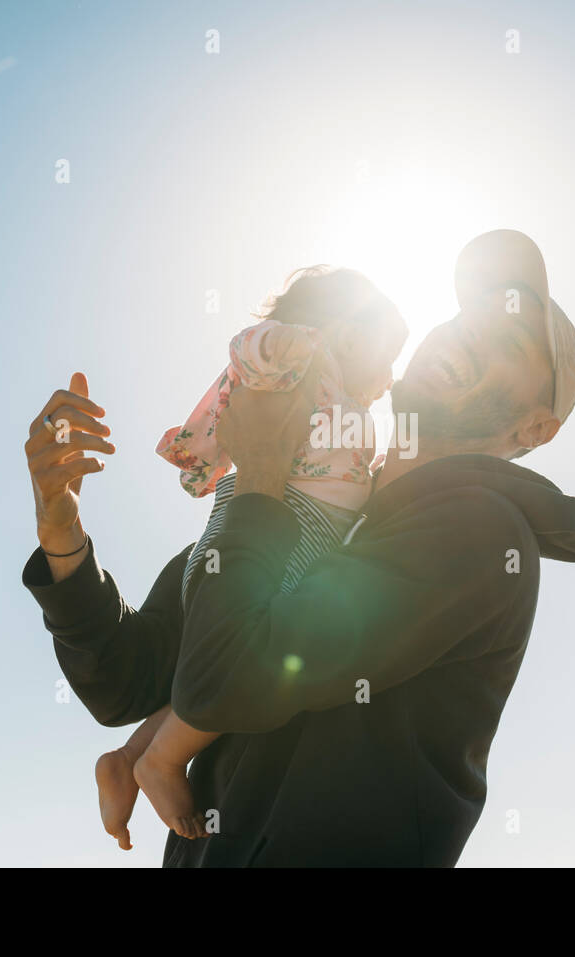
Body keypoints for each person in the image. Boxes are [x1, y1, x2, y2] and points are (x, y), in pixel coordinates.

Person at [22, 229, 575, 866]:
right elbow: (127, 683)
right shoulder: (306, 504)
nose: (469, 334)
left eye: (509, 340)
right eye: (467, 317)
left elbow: (223, 678)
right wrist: (61, 531)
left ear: (536, 428)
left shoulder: (481, 533)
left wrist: (261, 475)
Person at [97, 266, 407, 846]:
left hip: (274, 535)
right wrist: (288, 341)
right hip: (280, 530)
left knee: (212, 667)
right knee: (247, 653)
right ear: (345, 332)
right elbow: (248, 354)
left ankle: (129, 757)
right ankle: (164, 761)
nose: (390, 379)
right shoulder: (307, 364)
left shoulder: (339, 402)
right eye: (386, 356)